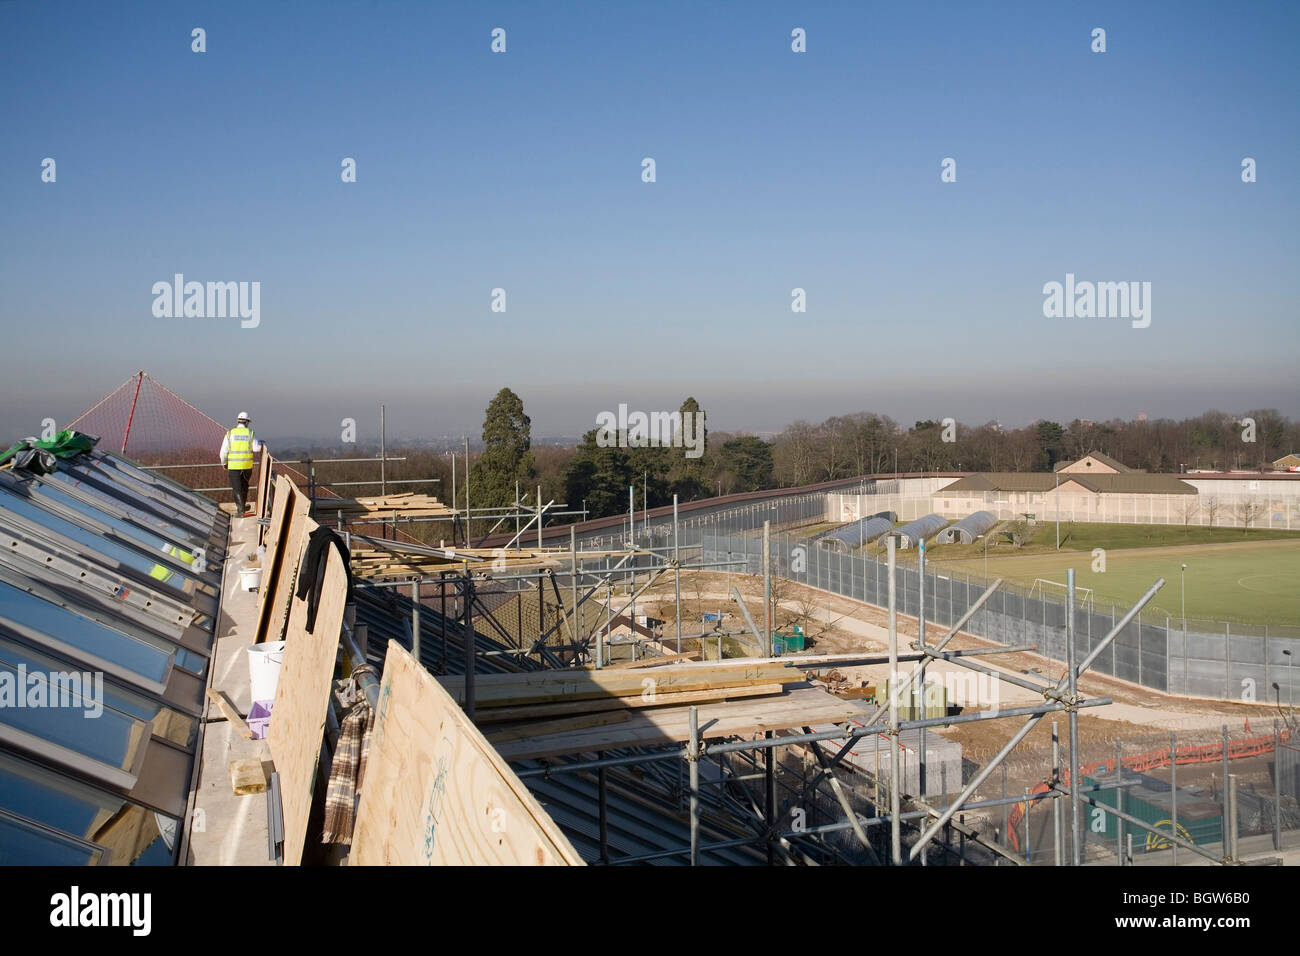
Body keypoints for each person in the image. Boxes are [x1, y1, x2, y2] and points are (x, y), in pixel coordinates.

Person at [219, 412, 262, 516]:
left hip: (233, 466)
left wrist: (224, 463)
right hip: (247, 466)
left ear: (238, 421)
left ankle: (241, 510)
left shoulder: (230, 434)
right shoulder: (250, 433)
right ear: (247, 422)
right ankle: (242, 505)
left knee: (236, 488)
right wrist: (261, 443)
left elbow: (223, 452)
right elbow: (257, 448)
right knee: (244, 486)